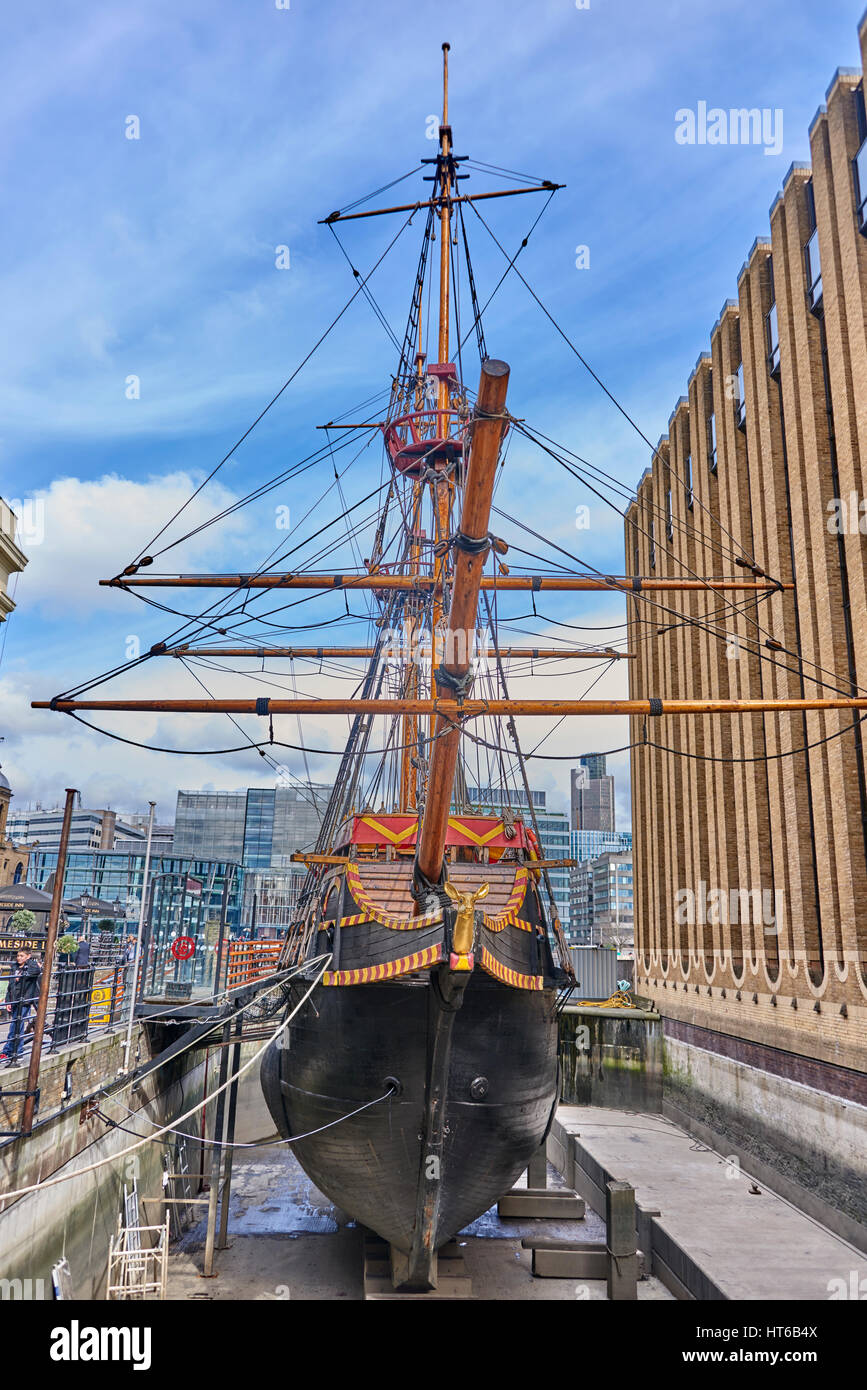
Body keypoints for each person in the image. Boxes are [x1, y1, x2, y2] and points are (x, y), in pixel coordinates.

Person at [1, 949, 42, 1066]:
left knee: (17, 1025)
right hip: (14, 999)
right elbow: (11, 985)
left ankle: (15, 1052)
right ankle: (10, 1051)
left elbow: (37, 970)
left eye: (22, 956)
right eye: (18, 955)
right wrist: (8, 1001)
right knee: (14, 1025)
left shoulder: (31, 966)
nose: (19, 958)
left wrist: (25, 970)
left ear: (28, 956)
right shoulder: (14, 967)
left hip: (24, 1000)